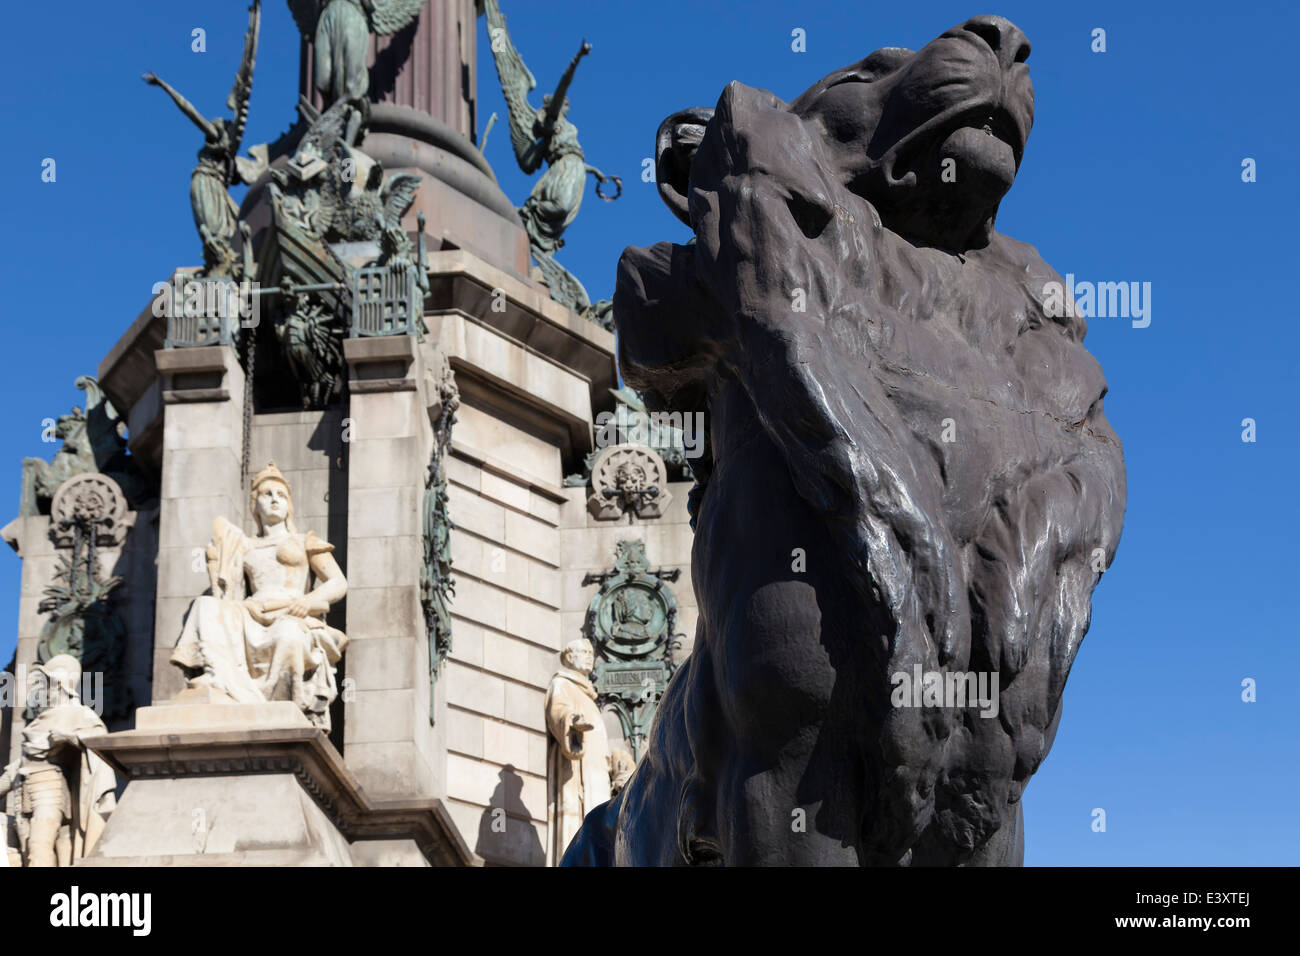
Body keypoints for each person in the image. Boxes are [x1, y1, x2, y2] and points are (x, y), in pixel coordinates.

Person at [171, 461, 348, 728]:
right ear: (255, 505)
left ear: (289, 505)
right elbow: (227, 592)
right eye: (267, 495)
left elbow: (337, 583)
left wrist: (307, 601)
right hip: (251, 611)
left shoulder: (305, 541)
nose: (275, 500)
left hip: (290, 611)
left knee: (287, 635)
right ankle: (216, 675)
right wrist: (216, 559)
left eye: (281, 495)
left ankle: (284, 709)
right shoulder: (244, 546)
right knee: (204, 605)